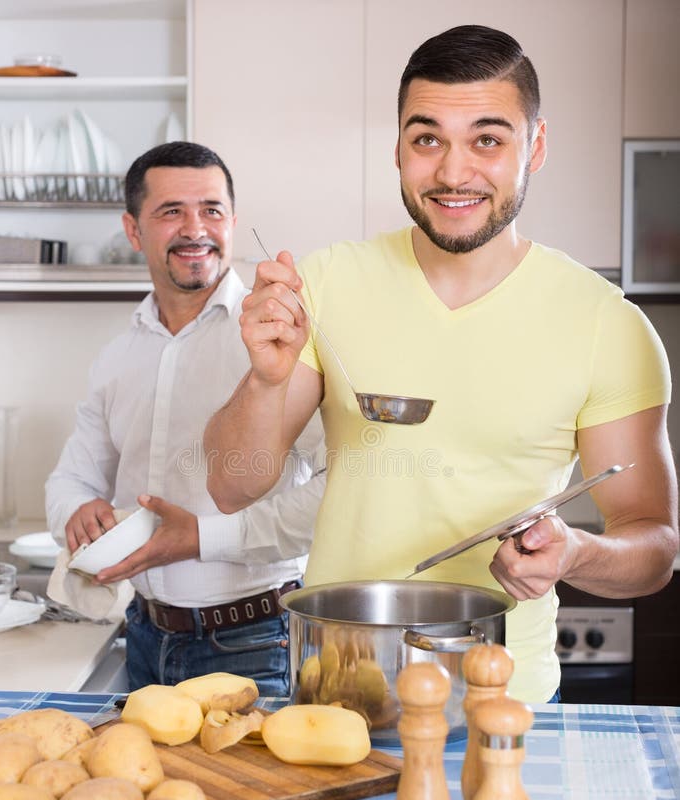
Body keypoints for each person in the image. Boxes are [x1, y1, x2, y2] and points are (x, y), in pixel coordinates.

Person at [204, 26, 678, 704]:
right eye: (427, 139)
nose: (453, 173)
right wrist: (264, 380)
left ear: (534, 147)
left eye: (487, 139)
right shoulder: (324, 285)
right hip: (340, 687)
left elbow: (654, 547)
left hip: (503, 698)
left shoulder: (607, 323)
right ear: (397, 149)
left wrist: (574, 552)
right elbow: (230, 486)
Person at [46, 141, 325, 695]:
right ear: (133, 230)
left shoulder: (281, 338)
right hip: (144, 635)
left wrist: (203, 538)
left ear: (233, 222)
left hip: (256, 639)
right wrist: (78, 511)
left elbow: (332, 491)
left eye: (212, 210)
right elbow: (70, 478)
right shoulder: (118, 357)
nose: (195, 228)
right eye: (172, 211)